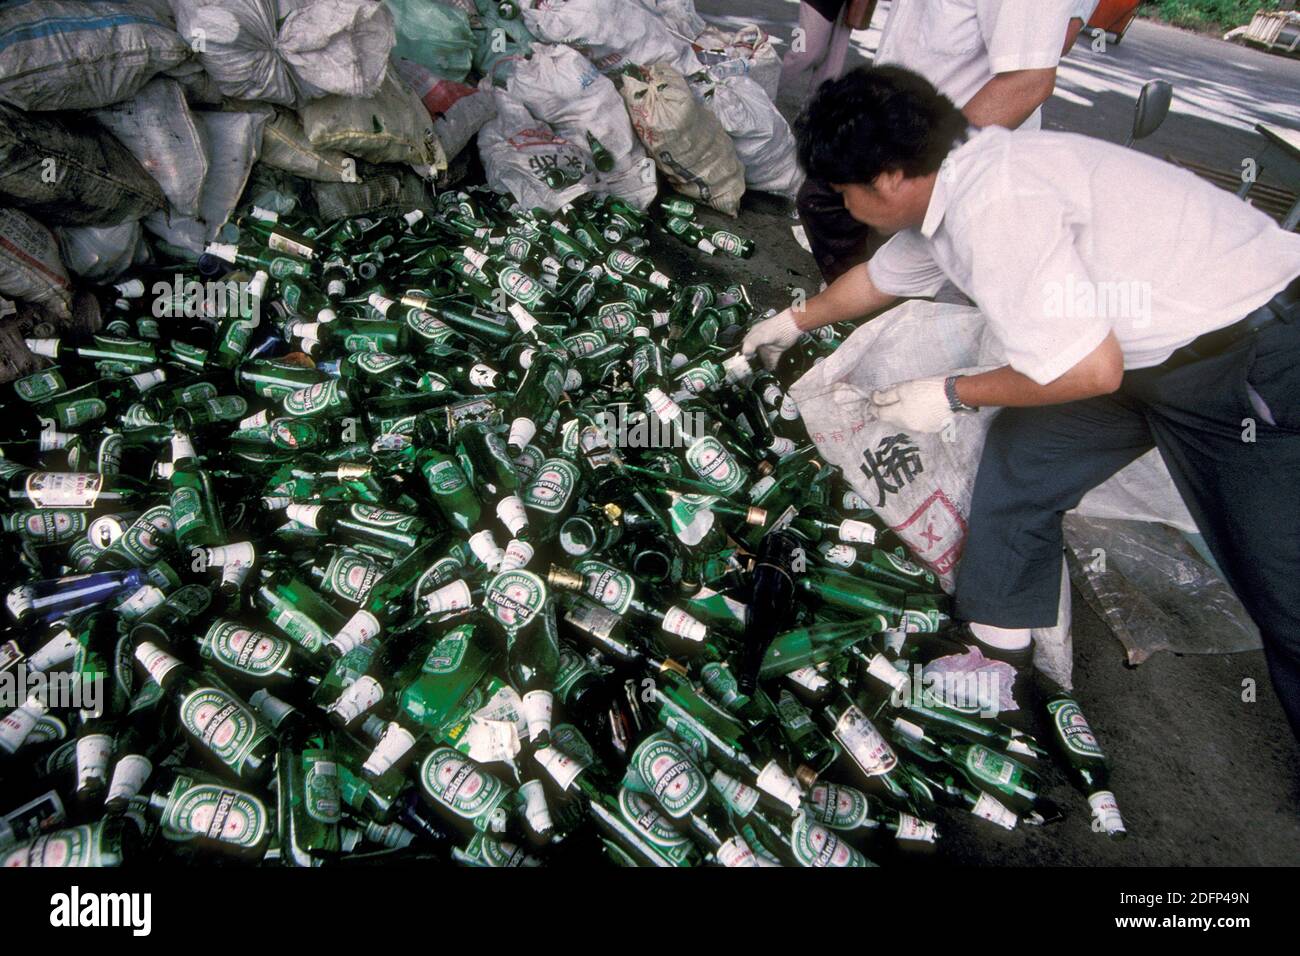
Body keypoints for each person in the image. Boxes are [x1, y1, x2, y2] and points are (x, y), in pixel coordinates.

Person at [742, 66, 1300, 737]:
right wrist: (793, 322)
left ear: (888, 178)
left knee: (1279, 585)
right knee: (1022, 461)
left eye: (843, 191)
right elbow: (877, 282)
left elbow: (1088, 371)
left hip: (1243, 353)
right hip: (1139, 352)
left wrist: (949, 393)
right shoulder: (948, 186)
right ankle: (996, 673)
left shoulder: (994, 206)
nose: (843, 205)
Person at [797, 0, 1079, 284]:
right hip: (895, 126)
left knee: (893, 252)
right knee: (825, 200)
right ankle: (859, 303)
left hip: (949, 149)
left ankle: (878, 309)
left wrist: (932, 165)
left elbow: (1029, 82)